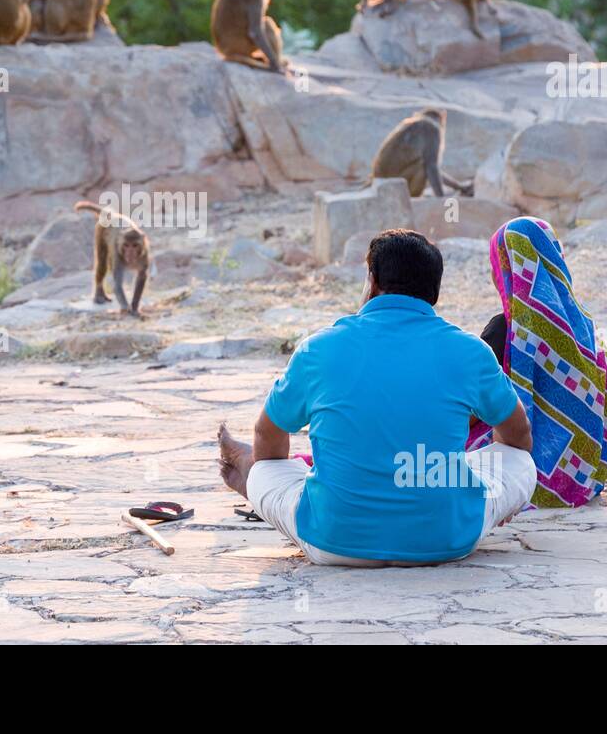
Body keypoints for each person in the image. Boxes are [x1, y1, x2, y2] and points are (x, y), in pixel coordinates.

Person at [217, 229, 536, 566]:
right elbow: (518, 437)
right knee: (514, 462)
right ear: (434, 293)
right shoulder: (471, 351)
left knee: (267, 466)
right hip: (447, 539)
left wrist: (269, 468)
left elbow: (268, 434)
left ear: (371, 282)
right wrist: (489, 497)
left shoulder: (319, 348)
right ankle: (464, 500)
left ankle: (253, 475)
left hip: (333, 542)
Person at [469, 217, 607, 508]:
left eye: (496, 264)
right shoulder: (587, 329)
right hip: (586, 476)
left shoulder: (506, 331)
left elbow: (476, 405)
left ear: (509, 268)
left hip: (526, 473)